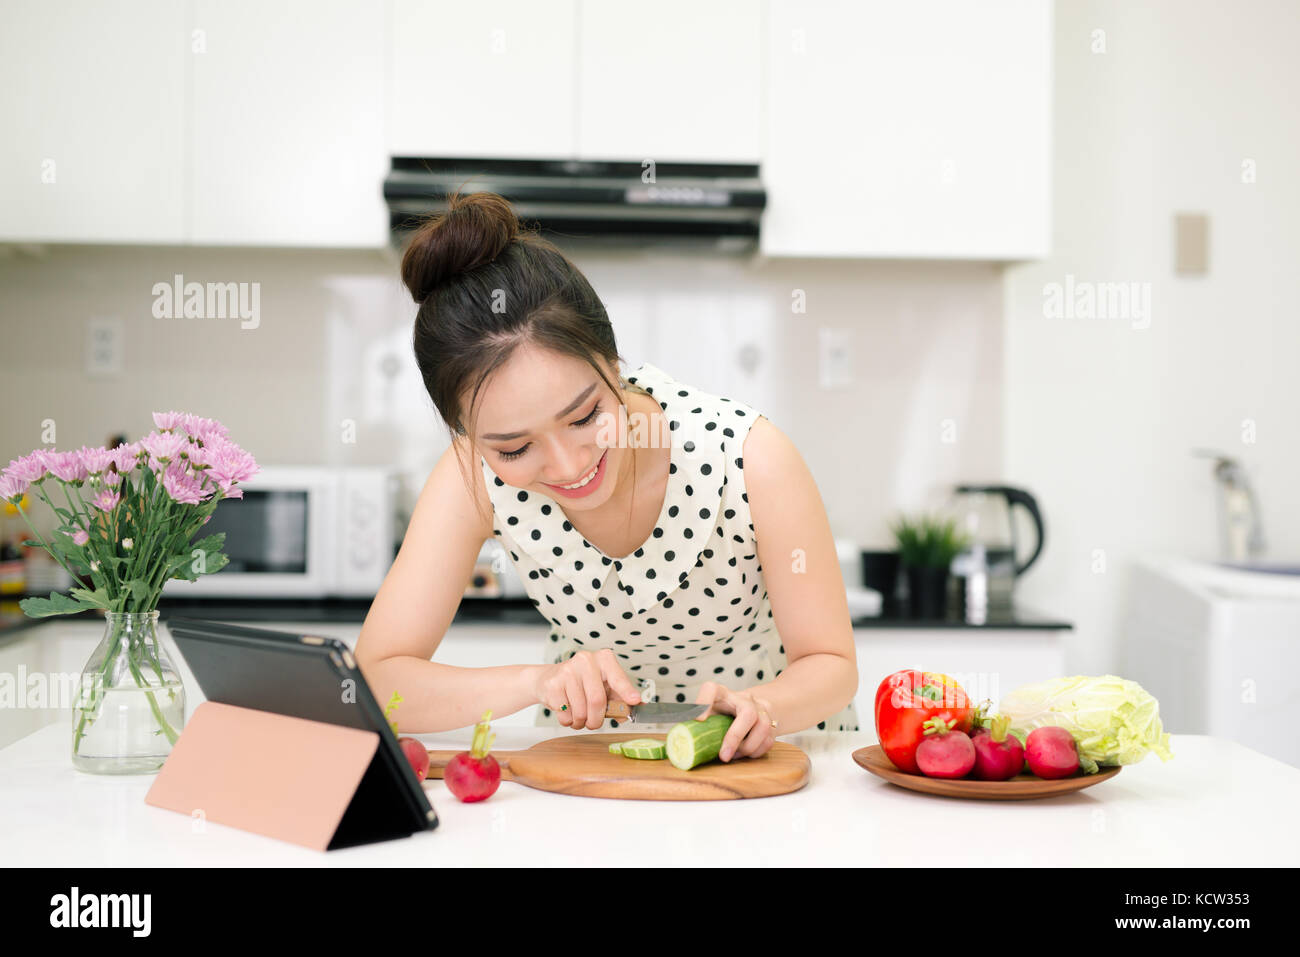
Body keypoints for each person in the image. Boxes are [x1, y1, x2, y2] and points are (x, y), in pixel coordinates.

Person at [354, 191, 859, 763]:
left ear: (614, 365)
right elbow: (375, 678)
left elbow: (831, 664)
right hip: (586, 758)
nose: (568, 467)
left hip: (769, 755)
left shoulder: (748, 456)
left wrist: (764, 708)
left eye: (585, 416)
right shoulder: (469, 477)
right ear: (464, 434)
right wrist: (534, 683)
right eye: (515, 448)